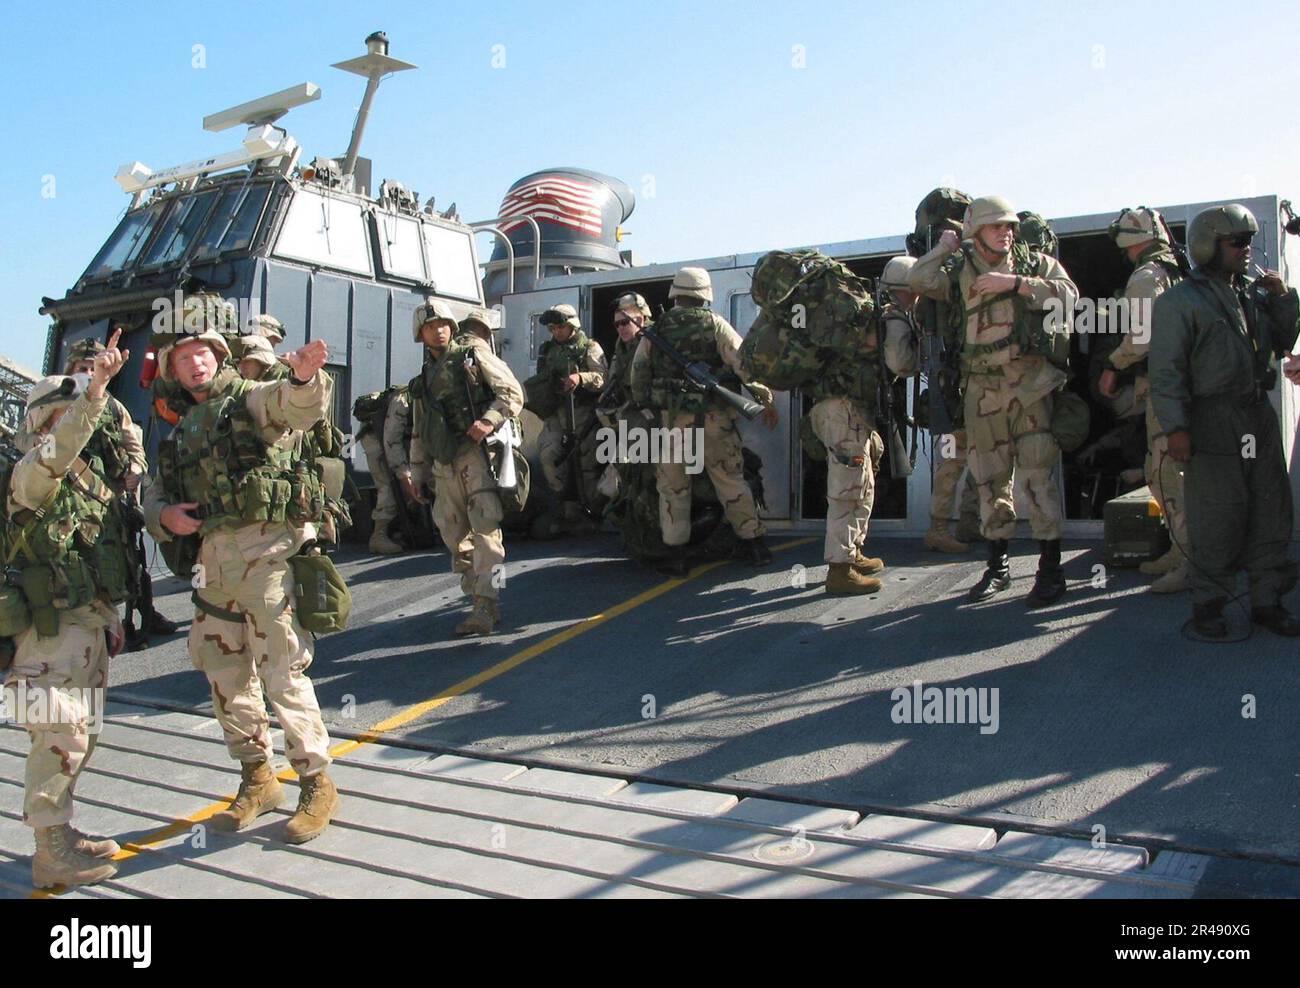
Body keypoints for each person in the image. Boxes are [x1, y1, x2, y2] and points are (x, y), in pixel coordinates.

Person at [142, 296, 339, 843]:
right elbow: (155, 491)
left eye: (202, 353)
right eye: (183, 359)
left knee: (282, 667)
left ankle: (316, 780)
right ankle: (257, 776)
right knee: (222, 667)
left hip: (268, 555)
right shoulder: (180, 430)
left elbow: (291, 407)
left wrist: (303, 380)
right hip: (213, 563)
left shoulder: (247, 400)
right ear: (173, 372)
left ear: (219, 354)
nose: (195, 363)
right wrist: (162, 515)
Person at [907, 196, 1080, 606]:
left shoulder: (1033, 263)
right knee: (989, 481)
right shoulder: (958, 269)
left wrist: (1015, 284)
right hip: (982, 391)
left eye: (1009, 226)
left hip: (1030, 386)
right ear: (975, 230)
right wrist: (943, 248)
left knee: (1038, 477)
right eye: (996, 225)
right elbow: (918, 280)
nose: (1006, 232)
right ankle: (998, 567)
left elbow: (1069, 297)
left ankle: (1050, 572)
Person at [4, 333, 131, 888]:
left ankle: (62, 830)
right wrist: (94, 395)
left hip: (86, 623)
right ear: (37, 426)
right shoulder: (32, 472)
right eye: (56, 418)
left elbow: (101, 555)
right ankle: (49, 851)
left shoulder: (88, 482)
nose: (67, 427)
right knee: (59, 731)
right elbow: (58, 452)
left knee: (83, 734)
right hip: (45, 632)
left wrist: (111, 620)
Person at [1150, 203, 1300, 638]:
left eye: (1249, 241)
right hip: (1211, 418)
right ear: (1209, 246)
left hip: (1256, 412)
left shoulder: (1253, 292)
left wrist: (1283, 299)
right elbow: (1167, 370)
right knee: (1217, 514)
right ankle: (1209, 604)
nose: (1246, 249)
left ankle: (1267, 601)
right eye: (1237, 242)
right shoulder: (1180, 301)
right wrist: (1176, 427)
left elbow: (1282, 341)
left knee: (1271, 508)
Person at [630, 266, 778, 574]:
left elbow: (639, 378)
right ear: (704, 295)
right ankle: (754, 545)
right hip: (715, 422)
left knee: (673, 489)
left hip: (673, 424)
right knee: (730, 481)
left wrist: (652, 407)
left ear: (676, 294)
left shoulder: (655, 332)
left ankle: (676, 555)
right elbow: (743, 364)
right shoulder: (715, 324)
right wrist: (764, 396)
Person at [402, 300, 524, 636]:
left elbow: (512, 393)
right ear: (421, 334)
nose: (438, 329)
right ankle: (477, 594)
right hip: (444, 464)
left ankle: (487, 602)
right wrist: (416, 470)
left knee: (487, 533)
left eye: (443, 323)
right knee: (454, 535)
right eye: (430, 326)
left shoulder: (472, 356)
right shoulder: (422, 379)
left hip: (475, 457)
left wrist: (488, 420)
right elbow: (419, 429)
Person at [804, 257, 918, 594]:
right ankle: (839, 571)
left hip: (844, 410)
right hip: (845, 412)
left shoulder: (869, 314)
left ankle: (851, 552)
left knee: (862, 481)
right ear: (909, 289)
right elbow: (900, 362)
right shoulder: (892, 316)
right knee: (848, 488)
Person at [62, 337, 177, 649]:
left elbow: (133, 446)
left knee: (128, 562)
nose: (87, 372)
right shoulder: (55, 403)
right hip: (66, 503)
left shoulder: (114, 407)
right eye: (82, 367)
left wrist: (136, 471)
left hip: (109, 500)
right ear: (70, 369)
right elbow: (29, 440)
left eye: (92, 366)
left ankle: (139, 616)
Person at [1098, 206, 1189, 593]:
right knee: (1160, 469)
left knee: (1168, 473)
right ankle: (1180, 549)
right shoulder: (1177, 272)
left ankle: (1191, 562)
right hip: (1180, 388)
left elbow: (1141, 337)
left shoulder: (1147, 276)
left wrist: (1112, 364)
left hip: (1166, 389)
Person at [879, 257, 975, 555]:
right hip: (951, 404)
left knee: (973, 461)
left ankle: (967, 524)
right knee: (951, 463)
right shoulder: (897, 317)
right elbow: (901, 363)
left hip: (955, 400)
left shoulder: (918, 313)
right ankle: (939, 529)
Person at [528, 304, 607, 529]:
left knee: (587, 466)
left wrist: (581, 378)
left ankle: (594, 512)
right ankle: (567, 507)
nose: (556, 332)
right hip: (557, 413)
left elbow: (603, 377)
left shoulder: (590, 347)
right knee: (549, 456)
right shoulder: (547, 350)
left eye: (560, 327)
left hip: (584, 414)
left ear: (572, 325)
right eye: (552, 328)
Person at [354, 384, 406, 555]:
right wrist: (403, 473)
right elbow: (391, 440)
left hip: (387, 433)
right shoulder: (404, 400)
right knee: (387, 484)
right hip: (375, 437)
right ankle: (378, 537)